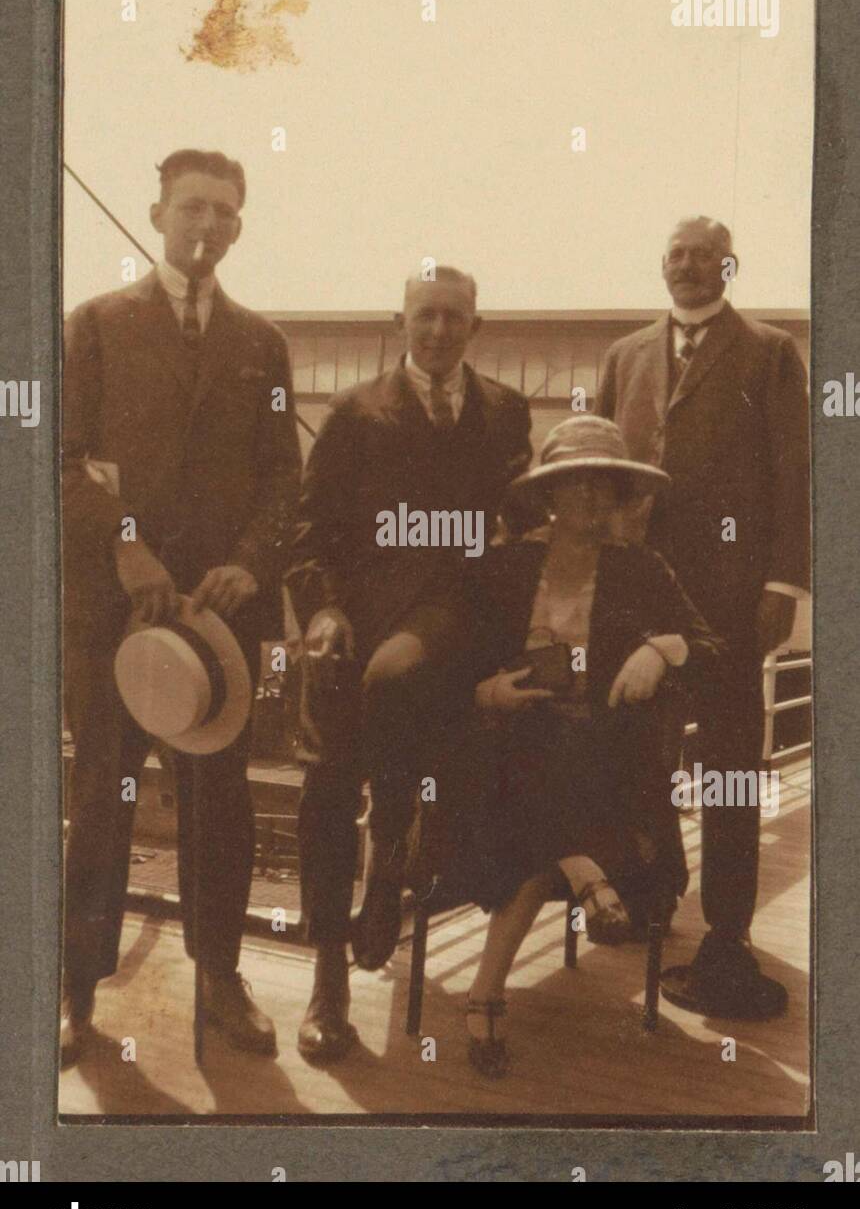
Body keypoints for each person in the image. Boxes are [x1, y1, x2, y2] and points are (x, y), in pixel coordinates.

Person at [61, 148, 302, 1065]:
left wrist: (249, 562)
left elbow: (286, 477)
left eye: (226, 213)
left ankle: (220, 979)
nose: (208, 225)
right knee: (103, 797)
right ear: (157, 211)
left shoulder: (262, 344)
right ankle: (79, 991)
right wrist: (125, 544)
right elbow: (64, 459)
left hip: (220, 627)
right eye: (192, 206)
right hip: (116, 618)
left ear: (239, 227)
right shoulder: (95, 326)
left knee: (220, 803)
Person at [285, 267, 534, 1063]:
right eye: (423, 315)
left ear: (475, 325)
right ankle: (328, 981)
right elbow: (309, 529)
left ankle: (388, 850)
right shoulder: (355, 412)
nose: (436, 330)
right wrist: (322, 610)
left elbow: (523, 525)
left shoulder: (505, 411)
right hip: (354, 620)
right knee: (326, 781)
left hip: (451, 624)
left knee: (395, 680)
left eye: (452, 317)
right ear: (401, 321)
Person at [447, 415, 723, 1078]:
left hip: (601, 761)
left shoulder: (641, 569)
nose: (593, 500)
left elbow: (712, 652)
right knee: (536, 752)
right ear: (550, 495)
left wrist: (663, 648)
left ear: (621, 496)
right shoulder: (506, 565)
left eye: (606, 487)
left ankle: (488, 990)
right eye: (576, 486)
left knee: (559, 774)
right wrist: (488, 693)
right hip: (510, 747)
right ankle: (586, 872)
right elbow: (450, 663)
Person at [596, 217, 810, 1019]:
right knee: (631, 752)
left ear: (729, 264)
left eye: (703, 256)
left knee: (726, 768)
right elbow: (607, 475)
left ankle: (727, 932)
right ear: (662, 264)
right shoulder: (623, 357)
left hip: (728, 602)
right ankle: (651, 892)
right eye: (675, 255)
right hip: (639, 598)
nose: (688, 267)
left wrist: (784, 585)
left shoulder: (769, 351)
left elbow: (794, 475)